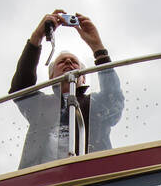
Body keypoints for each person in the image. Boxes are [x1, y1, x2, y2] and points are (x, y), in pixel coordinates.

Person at [9, 10, 124, 168]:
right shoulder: (40, 104)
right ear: (51, 77)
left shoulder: (96, 104)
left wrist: (97, 45)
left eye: (74, 62)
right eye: (62, 62)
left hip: (91, 180)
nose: (69, 63)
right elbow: (20, 88)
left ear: (83, 77)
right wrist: (37, 37)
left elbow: (114, 99)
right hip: (40, 185)